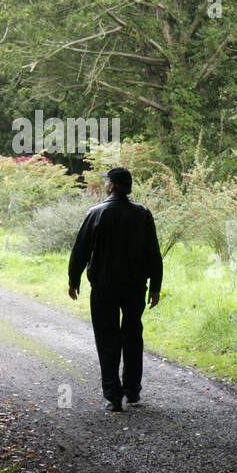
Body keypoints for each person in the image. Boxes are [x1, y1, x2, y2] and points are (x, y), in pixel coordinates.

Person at [68, 167, 162, 412]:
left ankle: (113, 397)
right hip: (135, 287)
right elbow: (154, 252)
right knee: (133, 336)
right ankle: (132, 392)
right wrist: (155, 286)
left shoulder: (96, 213)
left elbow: (80, 250)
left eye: (106, 183)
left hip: (103, 288)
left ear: (110, 186)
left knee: (107, 338)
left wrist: (73, 280)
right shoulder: (142, 213)